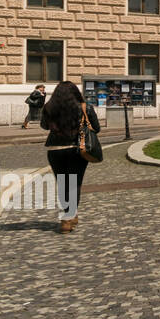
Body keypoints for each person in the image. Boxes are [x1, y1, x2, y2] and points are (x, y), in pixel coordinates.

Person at [41, 81, 100, 234]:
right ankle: (68, 217)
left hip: (55, 150)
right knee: (74, 184)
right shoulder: (84, 107)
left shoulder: (49, 107)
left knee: (62, 184)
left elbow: (44, 126)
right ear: (76, 92)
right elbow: (97, 128)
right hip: (77, 149)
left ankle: (68, 217)